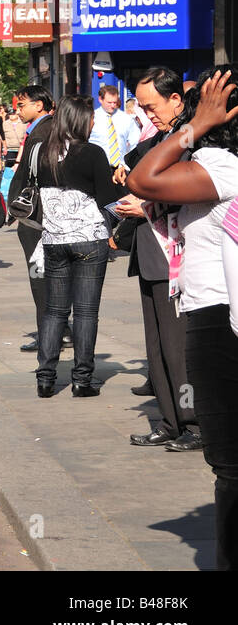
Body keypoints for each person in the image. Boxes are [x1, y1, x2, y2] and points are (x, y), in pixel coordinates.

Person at [128, 70, 238, 569]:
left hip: (221, 321)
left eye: (194, 111)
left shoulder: (221, 163)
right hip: (216, 311)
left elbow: (144, 178)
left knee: (229, 462)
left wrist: (194, 127)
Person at [111, 67, 198, 445]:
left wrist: (145, 202)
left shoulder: (193, 139)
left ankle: (193, 423)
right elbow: (138, 162)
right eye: (143, 108)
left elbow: (190, 191)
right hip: (150, 255)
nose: (148, 115)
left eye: (153, 106)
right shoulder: (161, 137)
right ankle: (168, 420)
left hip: (176, 256)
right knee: (157, 345)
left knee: (179, 349)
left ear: (176, 99)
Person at [34, 95, 126, 399]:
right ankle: (81, 380)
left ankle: (45, 379)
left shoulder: (41, 152)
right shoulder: (93, 153)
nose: (93, 122)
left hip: (54, 240)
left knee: (54, 311)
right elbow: (108, 201)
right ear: (79, 121)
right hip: (89, 240)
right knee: (86, 312)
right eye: (90, 118)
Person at [8, 85, 66, 353]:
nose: (18, 109)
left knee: (39, 276)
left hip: (37, 218)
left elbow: (27, 176)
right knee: (53, 275)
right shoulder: (50, 129)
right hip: (52, 215)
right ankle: (61, 329)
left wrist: (13, 207)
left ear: (39, 106)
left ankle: (48, 334)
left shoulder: (40, 134)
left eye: (22, 105)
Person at [88, 84, 138, 176]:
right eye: (109, 102)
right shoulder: (91, 118)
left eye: (115, 102)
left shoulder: (126, 119)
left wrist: (128, 165)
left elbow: (135, 143)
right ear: (100, 99)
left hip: (120, 168)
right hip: (96, 167)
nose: (112, 106)